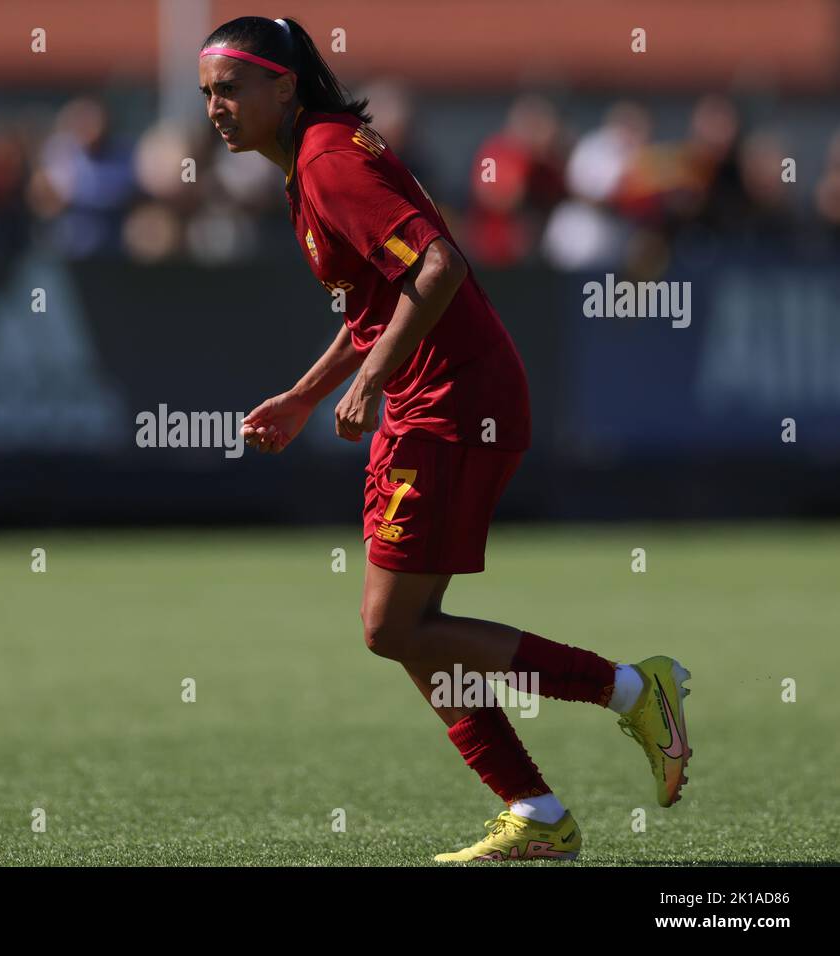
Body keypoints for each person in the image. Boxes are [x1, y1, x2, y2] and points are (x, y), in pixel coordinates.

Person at [198, 15, 692, 862]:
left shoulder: (325, 158)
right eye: (207, 92)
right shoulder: (309, 163)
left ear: (283, 87)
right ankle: (537, 810)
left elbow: (440, 268)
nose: (215, 107)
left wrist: (369, 381)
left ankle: (628, 692)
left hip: (455, 402)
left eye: (230, 88)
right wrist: (307, 397)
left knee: (394, 628)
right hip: (432, 401)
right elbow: (375, 306)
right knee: (405, 628)